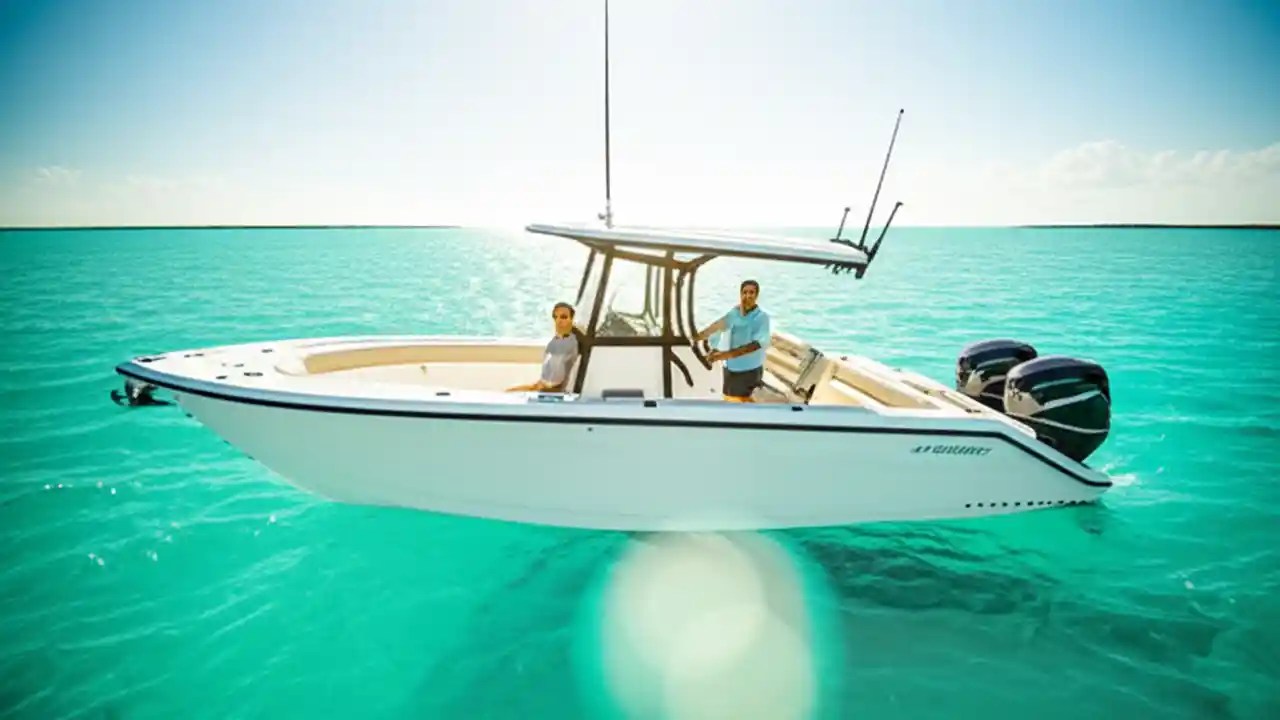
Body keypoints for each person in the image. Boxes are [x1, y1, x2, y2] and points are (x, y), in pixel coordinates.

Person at [692, 279, 771, 402]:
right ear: (740, 294)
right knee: (728, 401)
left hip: (748, 370)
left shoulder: (762, 318)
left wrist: (724, 355)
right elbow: (718, 325)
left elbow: (755, 346)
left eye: (751, 292)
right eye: (744, 292)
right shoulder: (735, 313)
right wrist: (696, 337)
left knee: (743, 406)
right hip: (731, 368)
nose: (748, 296)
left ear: (757, 295)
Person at [507, 302, 584, 393]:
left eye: (563, 317)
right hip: (545, 387)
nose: (559, 321)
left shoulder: (569, 344)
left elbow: (555, 382)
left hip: (553, 393)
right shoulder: (557, 341)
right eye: (556, 317)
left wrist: (537, 387)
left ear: (572, 319)